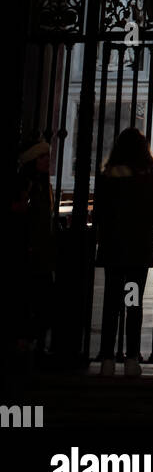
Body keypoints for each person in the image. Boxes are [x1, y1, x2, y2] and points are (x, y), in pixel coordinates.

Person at [94, 128, 153, 377]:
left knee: (111, 304)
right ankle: (132, 358)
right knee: (132, 303)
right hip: (137, 253)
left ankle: (107, 359)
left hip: (113, 252)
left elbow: (99, 214)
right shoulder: (150, 177)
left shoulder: (107, 177)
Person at [11, 137, 55, 358]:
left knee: (43, 297)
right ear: (31, 160)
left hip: (41, 249)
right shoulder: (25, 183)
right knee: (28, 296)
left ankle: (35, 341)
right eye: (42, 156)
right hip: (27, 248)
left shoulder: (44, 184)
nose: (47, 160)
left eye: (47, 155)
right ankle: (25, 341)